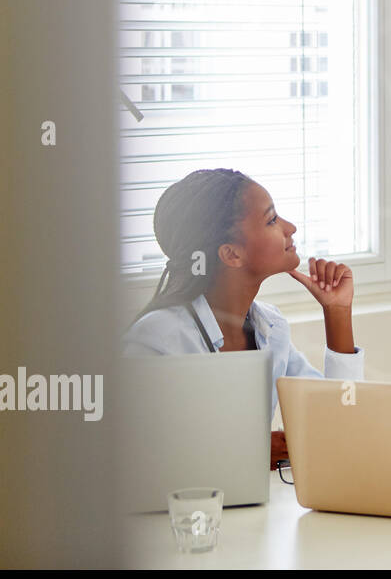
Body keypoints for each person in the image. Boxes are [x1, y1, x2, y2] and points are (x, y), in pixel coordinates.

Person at [123, 168, 364, 469]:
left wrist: (337, 312)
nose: (291, 228)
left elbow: (341, 420)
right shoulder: (157, 339)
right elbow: (141, 461)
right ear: (231, 254)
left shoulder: (271, 327)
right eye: (272, 220)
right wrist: (259, 448)